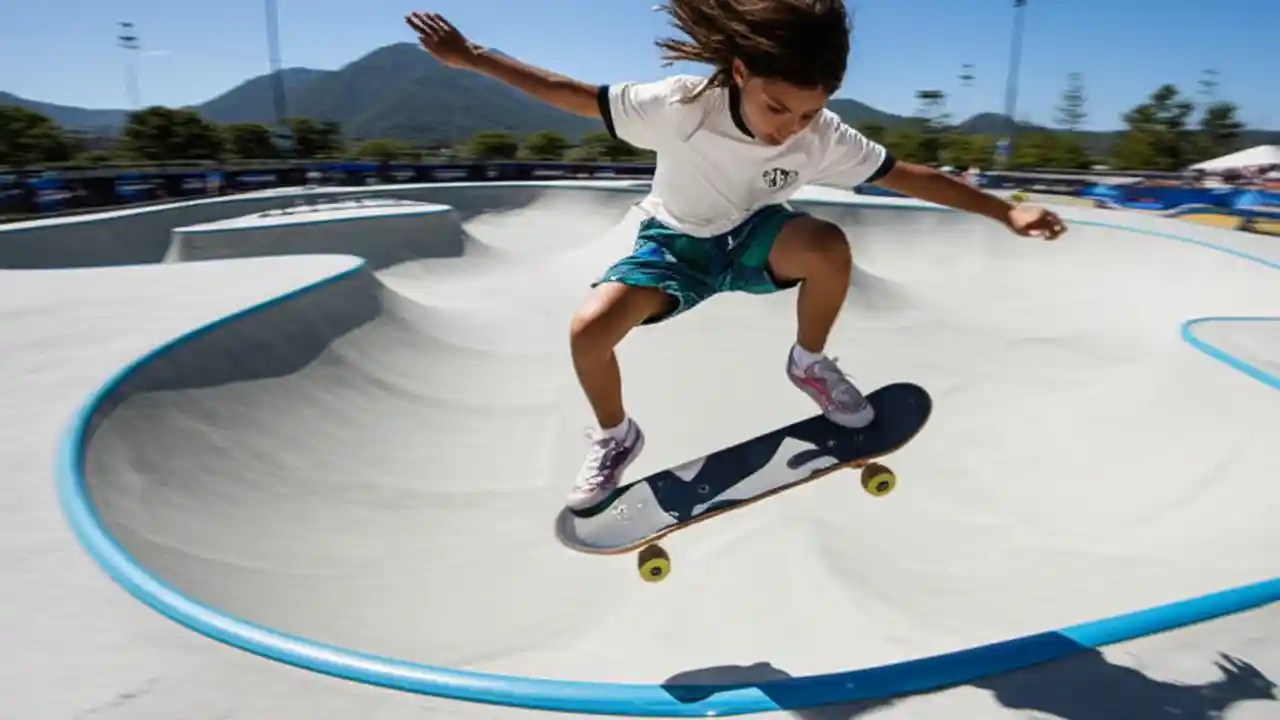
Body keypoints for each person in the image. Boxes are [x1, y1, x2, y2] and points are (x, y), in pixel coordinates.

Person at [404, 1, 1068, 511]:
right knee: (588, 331)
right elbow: (573, 95)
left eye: (809, 114)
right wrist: (475, 57)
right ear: (741, 73)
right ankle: (615, 436)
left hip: (754, 240)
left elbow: (909, 175)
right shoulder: (680, 106)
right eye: (779, 107)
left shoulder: (822, 137)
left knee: (828, 244)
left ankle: (809, 362)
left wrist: (1005, 211)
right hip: (672, 248)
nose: (792, 127)